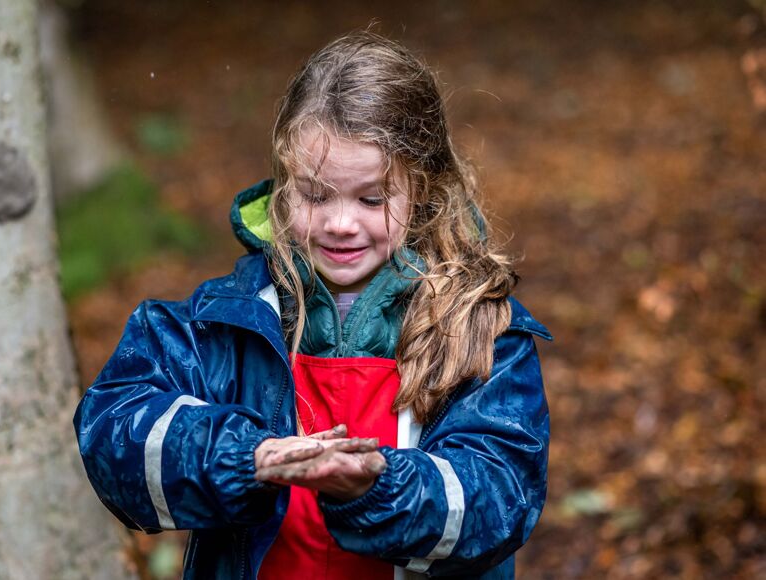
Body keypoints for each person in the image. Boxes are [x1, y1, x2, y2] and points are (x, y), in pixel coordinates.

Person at [74, 31, 552, 580]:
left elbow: (500, 498)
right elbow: (114, 426)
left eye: (372, 199)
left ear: (421, 189)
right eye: (315, 195)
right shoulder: (229, 320)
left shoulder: (483, 330)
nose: (340, 223)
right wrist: (243, 458)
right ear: (283, 187)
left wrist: (379, 485)